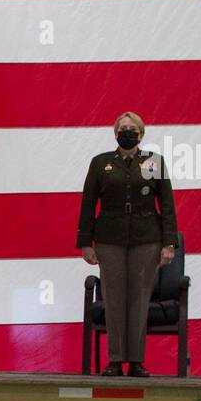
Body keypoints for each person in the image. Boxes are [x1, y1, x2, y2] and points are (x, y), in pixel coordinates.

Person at [76, 112, 179, 377]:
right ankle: (115, 359)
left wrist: (169, 243)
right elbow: (88, 204)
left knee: (138, 298)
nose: (128, 132)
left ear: (141, 134)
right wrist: (85, 243)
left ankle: (136, 360)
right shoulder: (101, 163)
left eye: (133, 128)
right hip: (110, 239)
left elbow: (167, 205)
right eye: (123, 128)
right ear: (115, 133)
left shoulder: (154, 162)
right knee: (113, 299)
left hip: (146, 239)